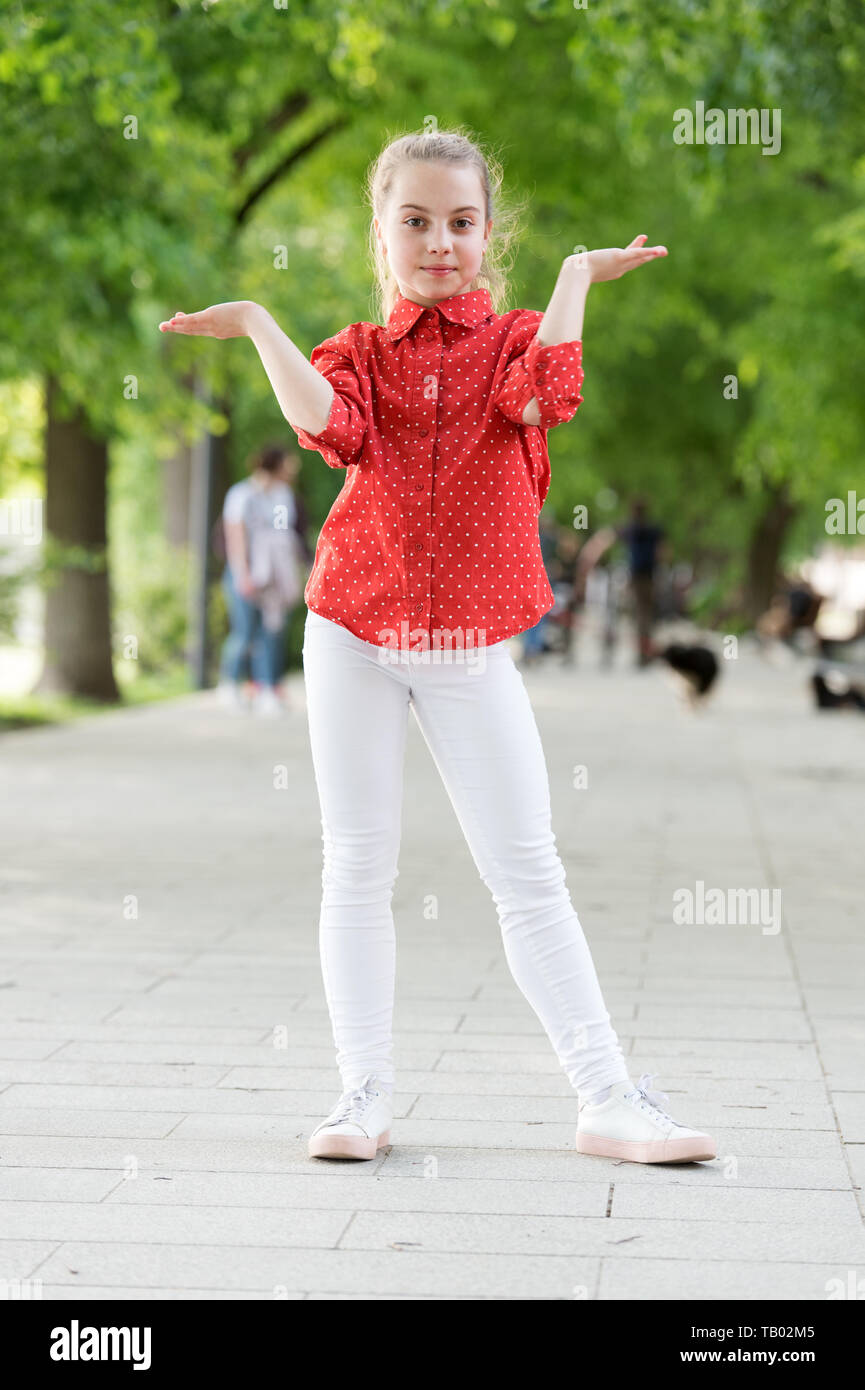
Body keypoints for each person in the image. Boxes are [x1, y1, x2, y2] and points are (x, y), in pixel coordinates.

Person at [159, 126, 716, 1167]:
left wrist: (572, 279)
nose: (440, 242)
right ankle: (360, 1095)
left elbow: (551, 392)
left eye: (461, 222)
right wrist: (256, 326)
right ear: (382, 234)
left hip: (466, 645)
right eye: (414, 221)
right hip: (350, 629)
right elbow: (331, 427)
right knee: (356, 865)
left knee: (526, 869)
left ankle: (606, 1097)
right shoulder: (354, 353)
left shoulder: (511, 343)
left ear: (486, 233)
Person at [218, 443, 311, 716]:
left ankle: (266, 688)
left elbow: (289, 537)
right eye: (289, 463)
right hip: (246, 570)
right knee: (245, 632)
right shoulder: (242, 494)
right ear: (276, 464)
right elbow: (236, 536)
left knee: (272, 631)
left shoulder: (284, 495)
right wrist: (242, 574)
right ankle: (229, 684)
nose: (294, 469)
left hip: (275, 575)